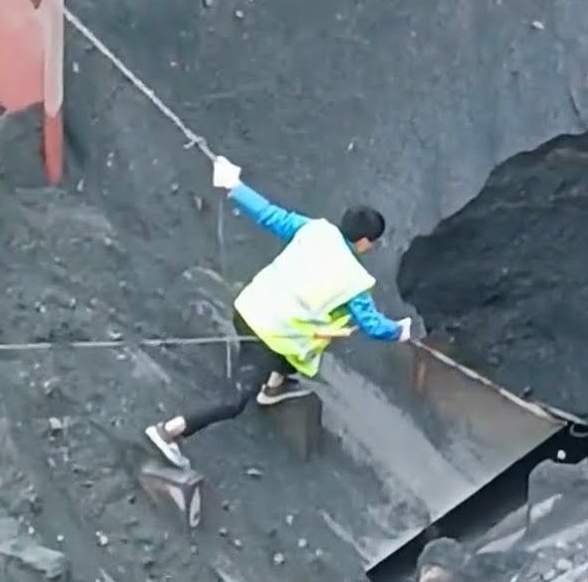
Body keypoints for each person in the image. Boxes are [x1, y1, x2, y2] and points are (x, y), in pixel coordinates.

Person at [145, 155, 412, 467]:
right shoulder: (355, 281)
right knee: (233, 402)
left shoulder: (313, 230)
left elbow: (269, 215)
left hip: (248, 310)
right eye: (373, 242)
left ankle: (273, 389)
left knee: (297, 355)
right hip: (269, 338)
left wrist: (235, 185)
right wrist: (400, 331)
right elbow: (372, 326)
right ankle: (168, 431)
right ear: (365, 241)